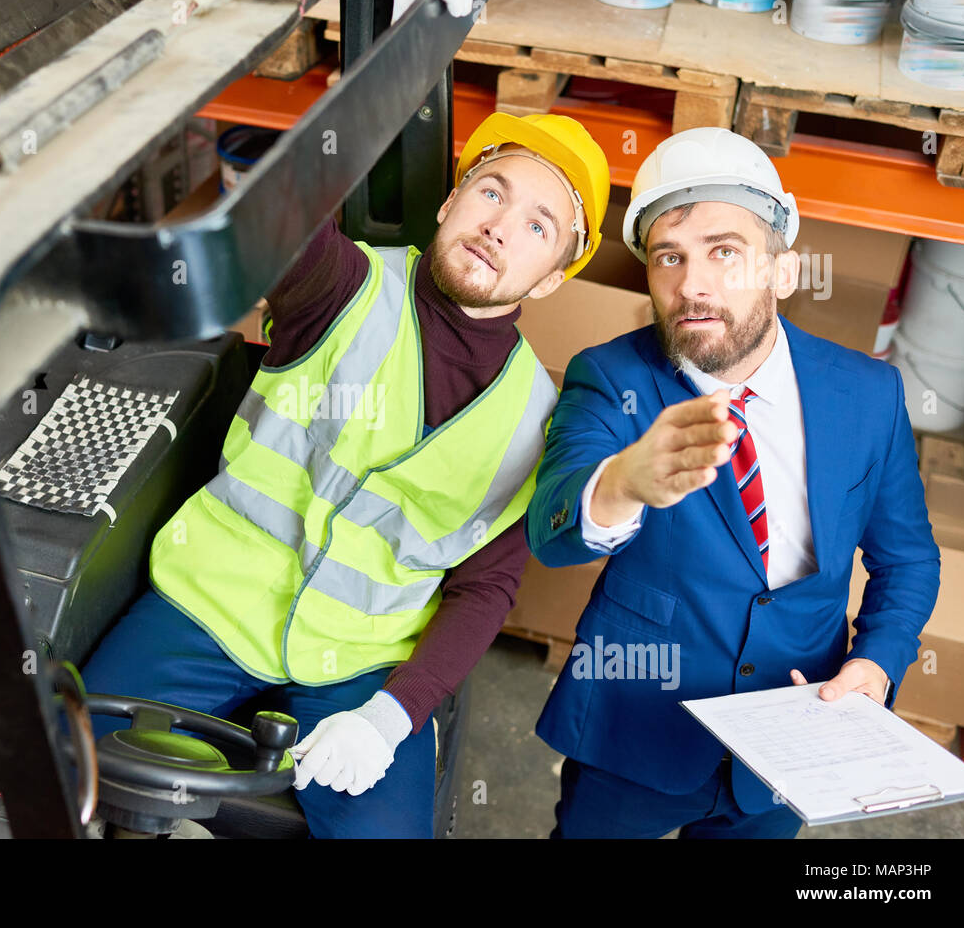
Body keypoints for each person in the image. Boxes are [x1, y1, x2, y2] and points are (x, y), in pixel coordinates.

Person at [80, 109, 611, 837]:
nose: (499, 226)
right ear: (447, 202)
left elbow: (483, 590)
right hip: (208, 608)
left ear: (551, 279)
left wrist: (392, 717)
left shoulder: (537, 422)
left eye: (538, 226)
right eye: (491, 192)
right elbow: (274, 213)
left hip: (360, 663)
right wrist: (388, 65)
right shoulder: (343, 287)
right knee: (59, 770)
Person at [525, 126, 941, 839]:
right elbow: (552, 529)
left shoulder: (869, 395)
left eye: (725, 251)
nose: (693, 283)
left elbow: (907, 560)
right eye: (669, 258)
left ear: (783, 271)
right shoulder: (612, 377)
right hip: (637, 730)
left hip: (788, 737)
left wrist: (875, 663)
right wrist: (623, 480)